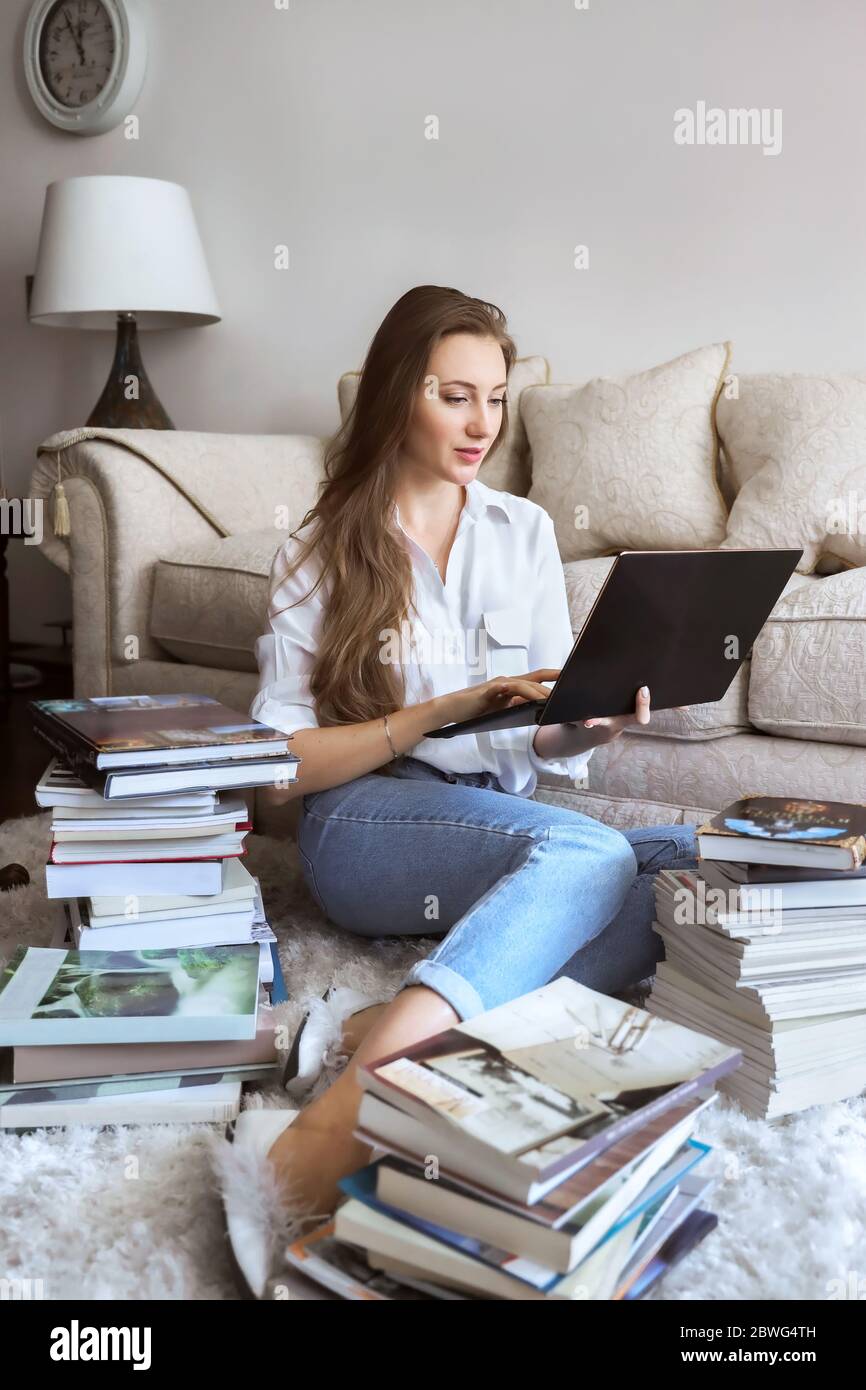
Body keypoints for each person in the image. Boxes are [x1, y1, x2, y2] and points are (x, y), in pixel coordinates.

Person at [250, 284, 698, 1221]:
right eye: (455, 395)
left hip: (493, 824)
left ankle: (384, 1022)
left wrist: (590, 721)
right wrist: (429, 713)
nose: (481, 422)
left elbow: (538, 729)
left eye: (495, 398)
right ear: (395, 396)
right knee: (589, 853)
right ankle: (368, 1090)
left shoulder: (524, 534)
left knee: (687, 866)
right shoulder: (317, 551)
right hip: (366, 823)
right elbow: (279, 769)